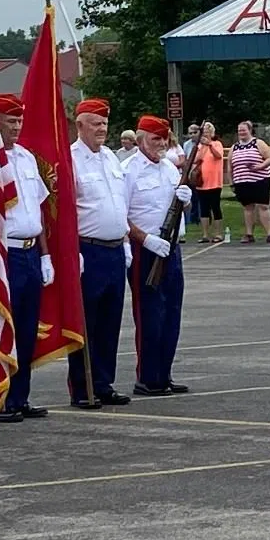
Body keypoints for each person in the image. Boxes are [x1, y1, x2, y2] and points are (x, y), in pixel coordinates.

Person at [0, 94, 55, 423]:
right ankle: (0, 399)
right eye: (10, 121)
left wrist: (45, 255)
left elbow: (38, 210)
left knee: (27, 330)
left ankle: (21, 396)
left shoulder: (26, 158)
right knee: (4, 330)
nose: (16, 126)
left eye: (19, 121)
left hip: (30, 253)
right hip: (5, 254)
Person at [123, 114, 193, 396]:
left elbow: (180, 210)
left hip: (171, 248)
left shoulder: (168, 168)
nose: (161, 143)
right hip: (146, 249)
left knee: (172, 313)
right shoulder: (129, 170)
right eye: (155, 139)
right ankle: (147, 377)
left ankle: (164, 374)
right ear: (140, 140)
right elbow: (121, 214)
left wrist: (187, 201)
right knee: (150, 314)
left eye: (164, 138)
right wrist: (146, 239)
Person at [69, 98, 132, 409]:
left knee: (110, 322)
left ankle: (104, 382)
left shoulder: (110, 157)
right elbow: (65, 212)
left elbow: (119, 204)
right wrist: (72, 252)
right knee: (86, 322)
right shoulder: (70, 159)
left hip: (114, 250)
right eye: (96, 124)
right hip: (87, 250)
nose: (102, 130)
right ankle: (83, 387)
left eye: (105, 124)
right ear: (80, 125)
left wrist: (126, 243)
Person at [230, 121, 270, 243]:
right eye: (239, 130)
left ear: (250, 130)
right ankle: (249, 234)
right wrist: (232, 182)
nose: (241, 132)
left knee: (263, 205)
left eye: (244, 130)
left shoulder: (258, 143)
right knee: (247, 206)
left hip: (260, 179)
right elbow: (230, 166)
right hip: (241, 181)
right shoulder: (234, 147)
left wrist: (260, 166)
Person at [191, 122, 225, 243]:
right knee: (204, 208)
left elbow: (218, 156)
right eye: (204, 132)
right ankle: (205, 234)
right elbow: (195, 160)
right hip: (202, 182)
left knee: (215, 207)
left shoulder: (217, 144)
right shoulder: (200, 146)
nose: (205, 134)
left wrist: (209, 144)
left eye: (208, 131)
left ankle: (218, 233)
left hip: (215, 182)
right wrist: (202, 147)